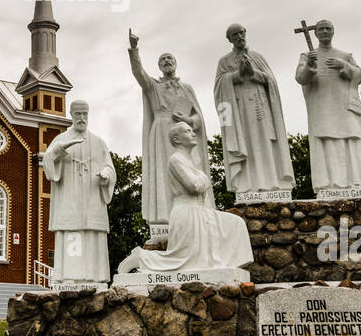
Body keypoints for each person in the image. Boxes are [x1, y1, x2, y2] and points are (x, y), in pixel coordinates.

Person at [117, 122, 253, 274]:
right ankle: (141, 258)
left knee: (236, 223)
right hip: (187, 212)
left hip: (198, 210)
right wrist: (204, 178)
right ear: (177, 139)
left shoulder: (188, 161)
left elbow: (198, 186)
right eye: (188, 131)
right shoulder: (175, 160)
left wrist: (201, 179)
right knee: (183, 259)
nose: (193, 133)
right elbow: (194, 186)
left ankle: (226, 265)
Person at [129, 29, 208, 238]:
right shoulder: (153, 86)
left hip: (184, 134)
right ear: (159, 66)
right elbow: (139, 74)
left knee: (189, 170)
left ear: (175, 63)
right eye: (163, 59)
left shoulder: (186, 88)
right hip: (161, 133)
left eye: (169, 58)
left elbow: (199, 118)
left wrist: (189, 120)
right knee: (162, 173)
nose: (166, 61)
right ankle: (164, 216)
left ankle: (195, 210)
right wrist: (134, 50)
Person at [213, 23, 295, 198]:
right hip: (239, 109)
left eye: (241, 33)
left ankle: (272, 182)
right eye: (235, 35)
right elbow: (219, 89)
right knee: (247, 143)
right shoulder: (224, 61)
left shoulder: (257, 57)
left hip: (260, 105)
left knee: (265, 142)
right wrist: (237, 75)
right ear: (229, 39)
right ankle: (247, 184)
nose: (239, 36)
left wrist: (253, 73)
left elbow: (270, 81)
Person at [295, 19, 361, 196]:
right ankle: (331, 183)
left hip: (344, 105)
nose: (325, 32)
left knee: (350, 139)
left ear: (333, 31)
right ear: (315, 33)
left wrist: (344, 65)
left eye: (328, 29)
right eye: (321, 29)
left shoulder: (345, 55)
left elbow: (359, 75)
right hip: (322, 107)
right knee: (328, 141)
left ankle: (356, 181)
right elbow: (300, 78)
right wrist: (310, 67)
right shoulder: (307, 56)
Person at [43, 100, 116, 285]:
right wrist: (61, 150)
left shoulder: (99, 143)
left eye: (85, 114)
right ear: (71, 114)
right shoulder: (60, 139)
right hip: (70, 198)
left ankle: (95, 277)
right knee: (71, 235)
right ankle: (69, 277)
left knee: (92, 234)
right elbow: (48, 162)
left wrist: (106, 175)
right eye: (78, 114)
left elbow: (109, 167)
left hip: (92, 198)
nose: (82, 118)